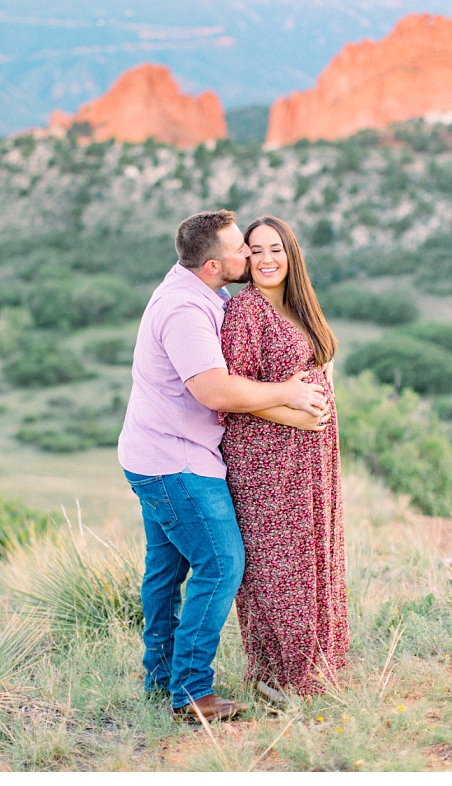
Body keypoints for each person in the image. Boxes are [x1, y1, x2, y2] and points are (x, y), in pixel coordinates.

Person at [117, 209, 328, 723]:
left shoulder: (194, 289)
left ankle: (161, 676)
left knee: (166, 572)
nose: (250, 257)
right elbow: (213, 390)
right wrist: (290, 394)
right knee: (222, 564)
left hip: (154, 451)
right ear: (213, 265)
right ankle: (191, 692)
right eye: (241, 250)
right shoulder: (186, 311)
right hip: (175, 462)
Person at [219, 215, 349, 700]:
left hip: (311, 460)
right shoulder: (246, 311)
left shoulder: (299, 307)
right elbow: (235, 389)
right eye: (256, 250)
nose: (267, 259)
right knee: (279, 565)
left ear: (291, 253)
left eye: (276, 248)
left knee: (314, 552)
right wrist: (294, 415)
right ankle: (283, 677)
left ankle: (319, 664)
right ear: (244, 259)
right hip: (267, 458)